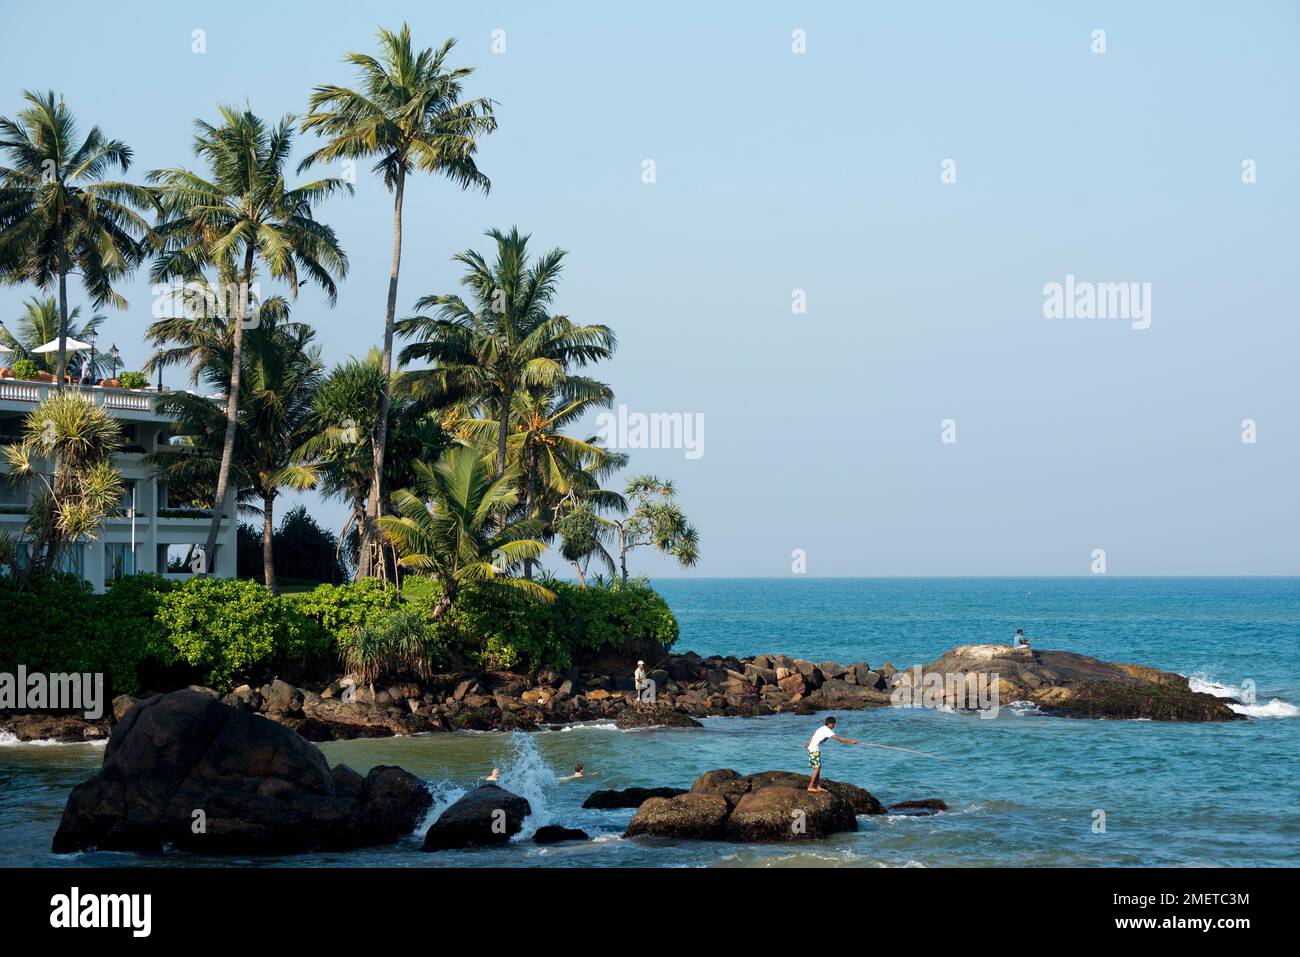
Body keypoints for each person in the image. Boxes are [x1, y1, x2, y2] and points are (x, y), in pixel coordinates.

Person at [804, 716, 858, 792]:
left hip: (811, 747)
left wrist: (807, 744)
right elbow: (840, 739)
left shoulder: (822, 728)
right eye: (833, 724)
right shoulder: (828, 731)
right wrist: (851, 741)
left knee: (818, 767)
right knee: (817, 768)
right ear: (830, 723)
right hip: (814, 749)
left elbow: (813, 736)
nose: (834, 726)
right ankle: (810, 786)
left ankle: (817, 786)